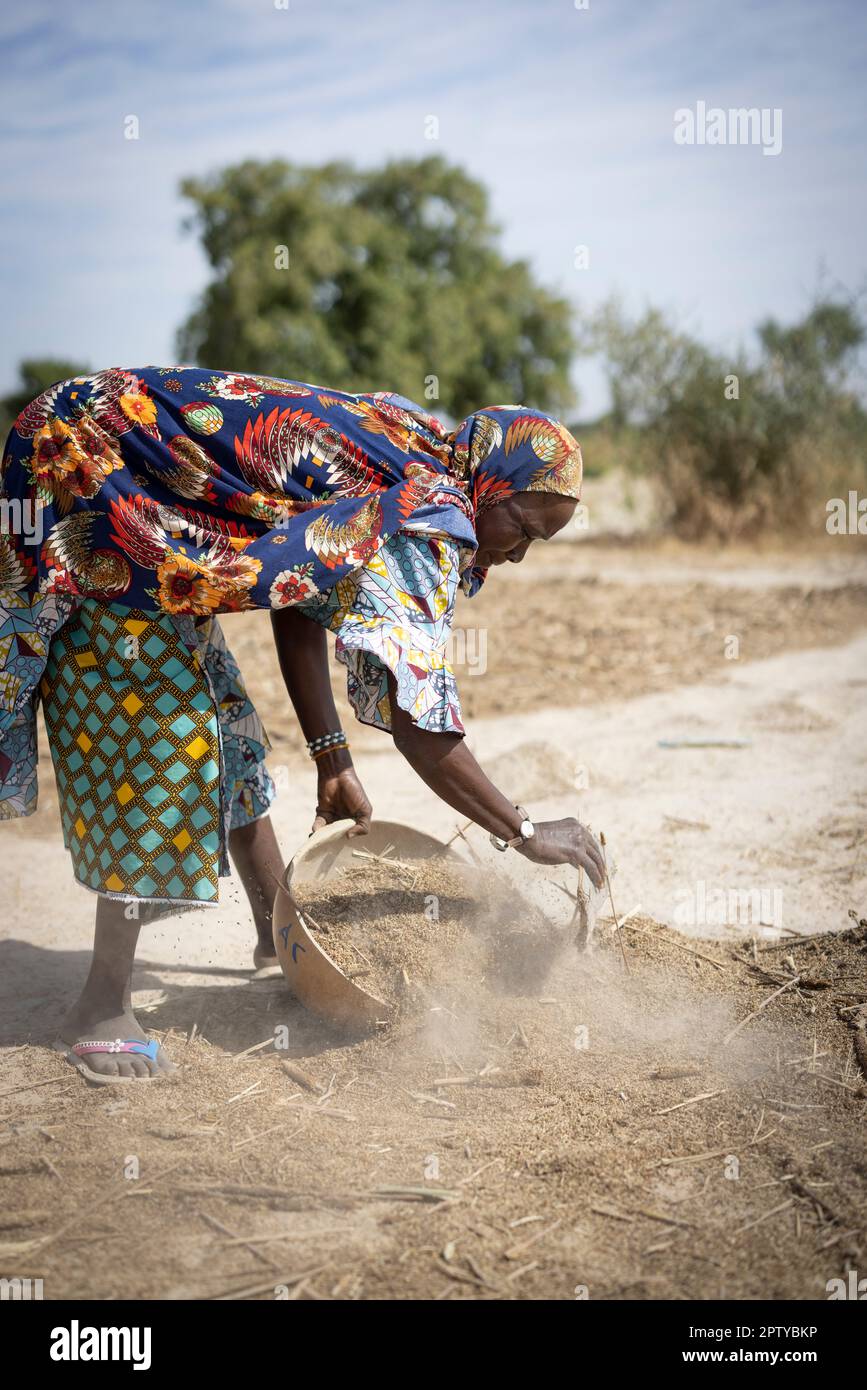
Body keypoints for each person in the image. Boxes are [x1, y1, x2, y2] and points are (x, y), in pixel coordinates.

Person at [0, 366, 604, 1082]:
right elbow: (421, 722)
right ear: (493, 487)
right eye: (524, 529)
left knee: (227, 726)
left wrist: (330, 757)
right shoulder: (426, 508)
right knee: (165, 734)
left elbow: (300, 583)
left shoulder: (420, 454)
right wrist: (524, 831)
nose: (517, 554)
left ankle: (276, 935)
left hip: (140, 488)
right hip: (90, 466)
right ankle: (99, 1006)